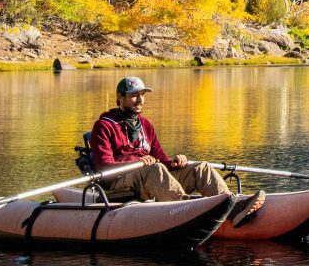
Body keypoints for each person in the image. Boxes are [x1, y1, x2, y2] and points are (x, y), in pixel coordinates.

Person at [88, 76, 264, 219]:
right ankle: (187, 212)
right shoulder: (104, 125)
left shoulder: (145, 125)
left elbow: (161, 159)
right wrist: (139, 162)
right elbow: (105, 166)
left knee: (201, 168)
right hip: (119, 181)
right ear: (120, 97)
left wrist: (173, 162)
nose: (140, 99)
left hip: (150, 176)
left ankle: (233, 208)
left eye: (143, 94)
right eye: (134, 95)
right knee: (154, 168)